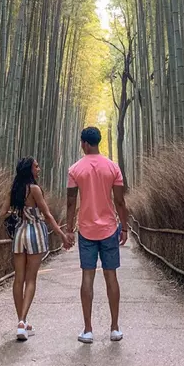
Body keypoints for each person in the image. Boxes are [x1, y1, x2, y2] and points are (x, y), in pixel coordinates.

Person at [65, 127, 129, 344]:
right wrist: (125, 227)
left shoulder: (75, 169)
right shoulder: (113, 167)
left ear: (84, 143)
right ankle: (115, 328)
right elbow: (120, 201)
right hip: (110, 229)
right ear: (98, 142)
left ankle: (88, 329)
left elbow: (71, 202)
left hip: (86, 230)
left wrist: (68, 228)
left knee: (87, 276)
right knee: (111, 276)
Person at [5, 157, 70, 341]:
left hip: (19, 233)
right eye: (36, 166)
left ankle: (21, 322)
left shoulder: (14, 189)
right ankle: (22, 321)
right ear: (29, 169)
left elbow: (2, 212)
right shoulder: (34, 189)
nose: (39, 169)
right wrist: (63, 235)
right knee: (31, 279)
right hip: (34, 233)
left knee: (18, 279)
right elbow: (47, 215)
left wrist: (18, 212)